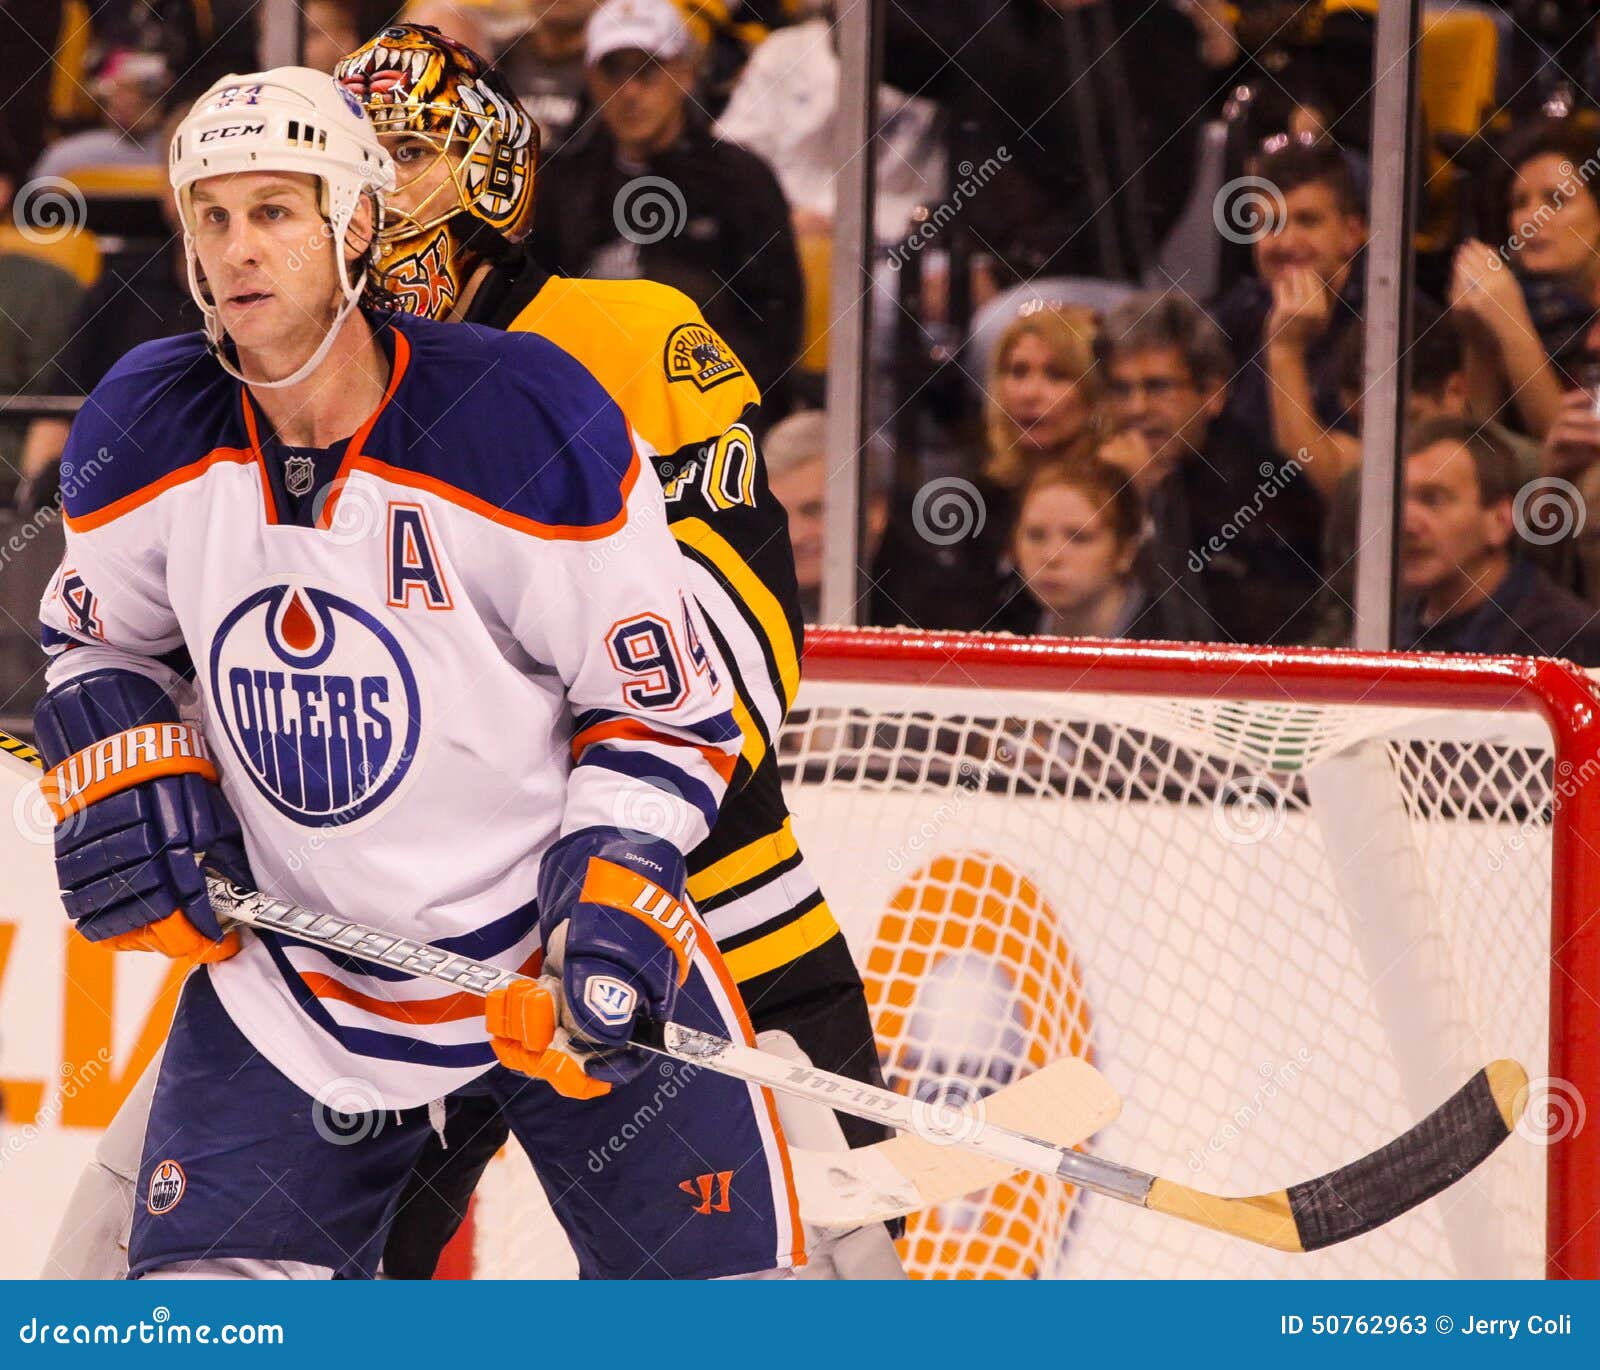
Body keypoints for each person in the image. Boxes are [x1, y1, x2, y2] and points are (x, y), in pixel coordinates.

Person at [45, 27, 898, 1284]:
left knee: (826, 1274)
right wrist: (135, 742)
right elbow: (140, 635)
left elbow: (728, 638)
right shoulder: (238, 395)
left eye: (409, 150)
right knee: (158, 1266)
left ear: (492, 177)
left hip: (680, 903)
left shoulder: (619, 338)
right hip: (363, 948)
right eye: (357, 154)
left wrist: (612, 847)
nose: (378, 185)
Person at [527, 0, 804, 403]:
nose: (630, 93)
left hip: (708, 399)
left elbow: (775, 323)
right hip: (582, 400)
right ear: (590, 78)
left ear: (685, 74)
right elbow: (534, 306)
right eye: (613, 71)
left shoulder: (741, 181)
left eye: (647, 71)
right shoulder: (559, 182)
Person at [1095, 291, 1324, 644]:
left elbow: (1198, 630)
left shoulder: (1264, 489)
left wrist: (1147, 505)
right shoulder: (1096, 472)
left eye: (1157, 387)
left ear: (1212, 394)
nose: (1136, 408)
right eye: (1121, 390)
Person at [16, 104, 201, 516]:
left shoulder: (279, 293)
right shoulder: (121, 286)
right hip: (123, 503)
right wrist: (33, 513)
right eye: (180, 169)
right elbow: (58, 414)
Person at [871, 302, 1101, 631]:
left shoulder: (1117, 493)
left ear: (1093, 392)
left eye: (1056, 375)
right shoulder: (982, 496)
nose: (1029, 393)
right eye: (1018, 371)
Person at [1210, 135, 1369, 499]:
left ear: (1351, 232)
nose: (1285, 242)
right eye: (1270, 225)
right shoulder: (1239, 311)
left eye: (1307, 221)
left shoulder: (1394, 324)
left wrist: (1285, 349)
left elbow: (1334, 489)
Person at [1397, 417, 1600, 663]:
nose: (1407, 524)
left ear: (1500, 520)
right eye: (1397, 504)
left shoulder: (1567, 641)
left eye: (1432, 500)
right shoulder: (1387, 625)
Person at [1450, 120, 1600, 440]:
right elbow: (1482, 447)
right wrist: (1478, 338)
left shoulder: (1515, 307)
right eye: (1520, 203)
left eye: (1556, 200)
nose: (1532, 218)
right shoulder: (1528, 304)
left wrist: (1510, 322)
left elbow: (1578, 452)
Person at [992, 456, 1201, 641]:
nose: (1051, 556)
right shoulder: (998, 626)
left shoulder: (1178, 637)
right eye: (1035, 535)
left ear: (1125, 552)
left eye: (1080, 538)